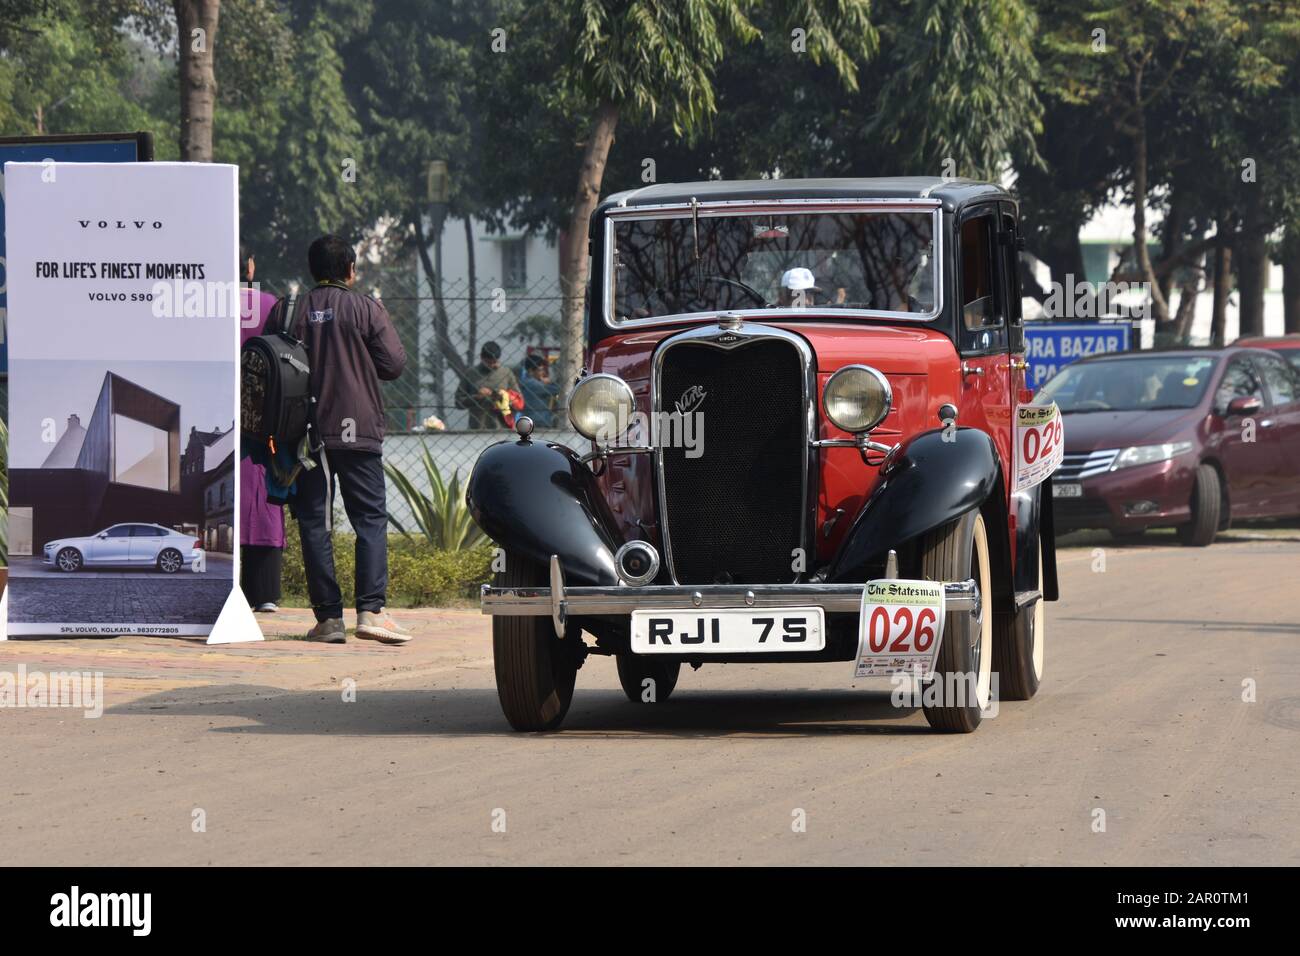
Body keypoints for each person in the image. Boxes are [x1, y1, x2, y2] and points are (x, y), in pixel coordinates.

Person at [267, 234, 409, 644]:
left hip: (303, 436)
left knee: (315, 522)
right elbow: (394, 365)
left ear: (312, 271)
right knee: (369, 518)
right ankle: (371, 611)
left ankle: (329, 621)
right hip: (358, 429)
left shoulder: (287, 311)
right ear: (350, 270)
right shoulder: (366, 309)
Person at [238, 249, 286, 612]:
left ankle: (228, 586)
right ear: (251, 266)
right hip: (266, 412)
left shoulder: (198, 305)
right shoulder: (270, 304)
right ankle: (264, 592)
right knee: (265, 492)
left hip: (220, 413)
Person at [455, 340, 522, 429]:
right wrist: (477, 397)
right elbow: (458, 402)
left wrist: (503, 396)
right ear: (482, 358)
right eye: (489, 362)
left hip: (502, 428)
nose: (492, 365)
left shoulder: (506, 373)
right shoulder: (471, 374)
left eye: (495, 362)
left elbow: (519, 400)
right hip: (477, 428)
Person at [518, 353, 560, 427]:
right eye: (540, 370)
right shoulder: (532, 384)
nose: (543, 373)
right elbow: (558, 389)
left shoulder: (526, 380)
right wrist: (551, 382)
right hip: (538, 422)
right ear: (531, 371)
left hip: (535, 421)